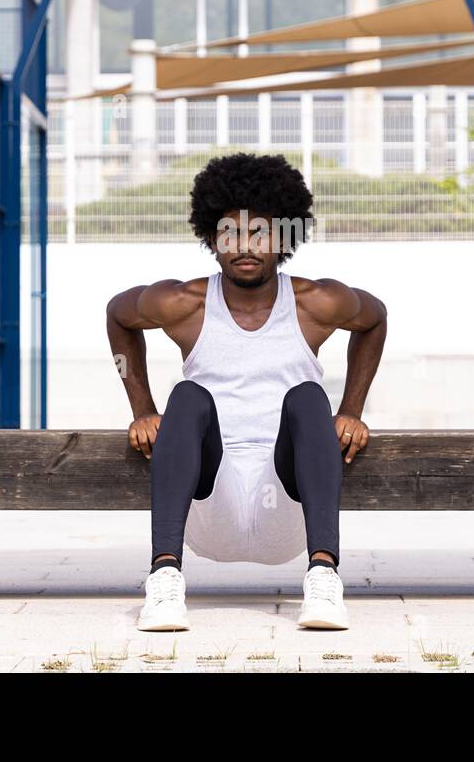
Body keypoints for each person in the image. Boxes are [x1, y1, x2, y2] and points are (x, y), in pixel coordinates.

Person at [105, 152, 387, 631]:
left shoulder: (316, 302)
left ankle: (323, 578)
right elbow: (118, 313)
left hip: (290, 504)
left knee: (307, 396)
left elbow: (374, 318)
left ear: (284, 237)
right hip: (207, 502)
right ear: (211, 239)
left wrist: (352, 409)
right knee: (188, 396)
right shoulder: (183, 302)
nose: (245, 246)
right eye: (229, 232)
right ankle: (165, 580)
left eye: (260, 231)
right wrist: (143, 409)